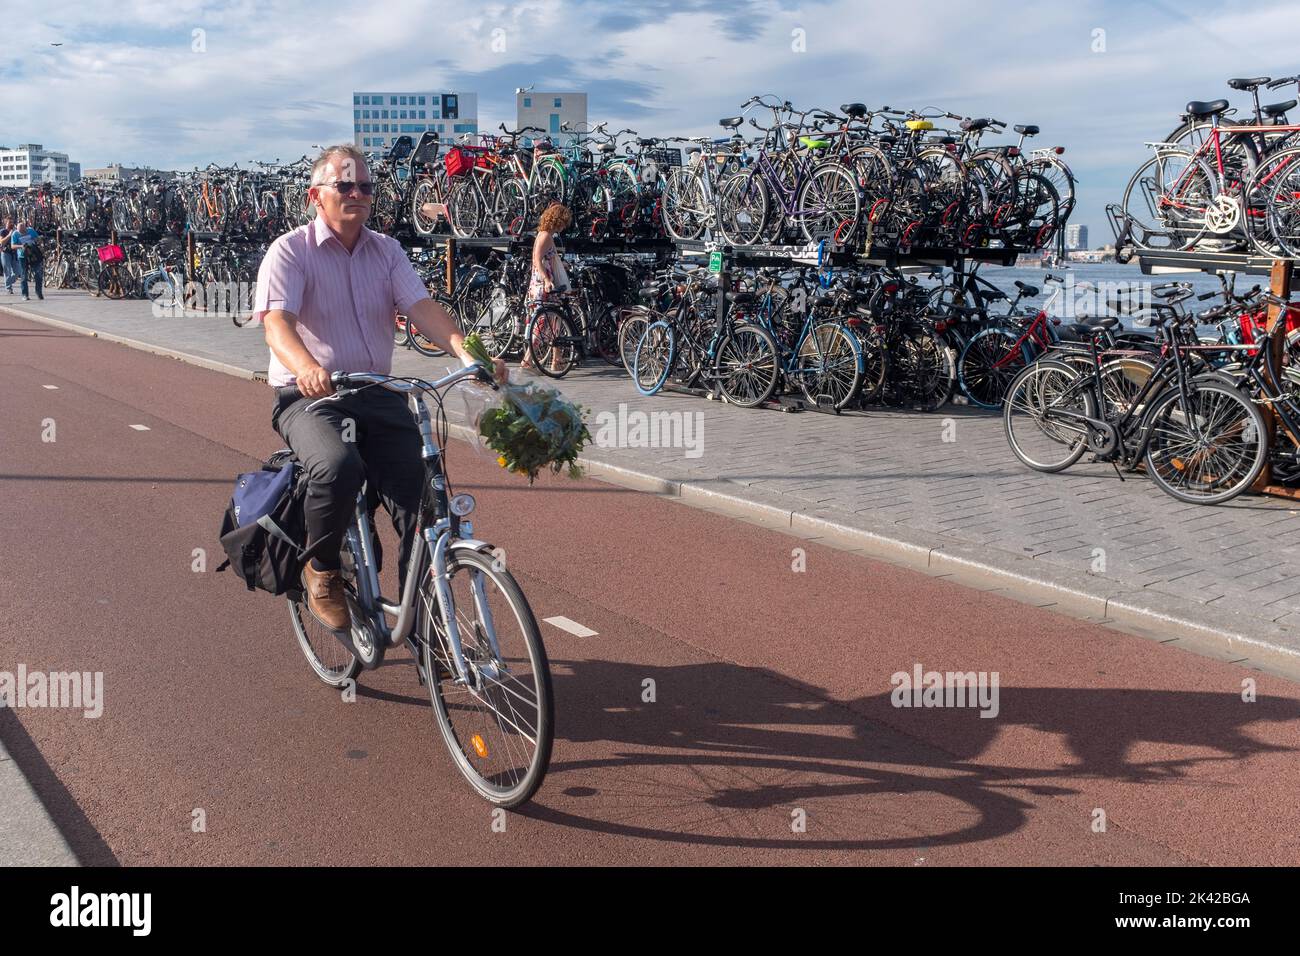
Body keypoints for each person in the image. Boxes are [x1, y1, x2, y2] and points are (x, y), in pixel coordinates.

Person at [254, 143, 506, 632]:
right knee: (337, 465)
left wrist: (464, 348)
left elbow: (421, 308)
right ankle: (322, 571)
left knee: (428, 496)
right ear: (316, 195)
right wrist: (306, 367)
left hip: (377, 392)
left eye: (365, 186)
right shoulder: (290, 251)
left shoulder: (386, 251)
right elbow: (276, 324)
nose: (357, 194)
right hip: (312, 399)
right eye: (344, 185)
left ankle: (425, 615)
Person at [522, 202, 572, 372]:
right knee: (544, 322)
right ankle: (528, 360)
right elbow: (537, 259)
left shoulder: (545, 235)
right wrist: (546, 279)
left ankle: (556, 360)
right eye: (563, 222)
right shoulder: (545, 237)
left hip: (544, 282)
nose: (564, 226)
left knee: (555, 319)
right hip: (544, 284)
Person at [10, 221, 44, 301]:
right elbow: (12, 246)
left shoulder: (31, 231)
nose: (22, 233)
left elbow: (38, 239)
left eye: (23, 231)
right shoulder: (15, 234)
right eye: (20, 232)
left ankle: (38, 291)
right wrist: (21, 246)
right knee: (24, 275)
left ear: (26, 228)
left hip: (33, 254)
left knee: (38, 273)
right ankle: (25, 294)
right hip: (22, 256)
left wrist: (37, 240)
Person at [0, 218, 18, 294]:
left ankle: (9, 282)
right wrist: (9, 235)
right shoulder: (3, 231)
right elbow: (1, 242)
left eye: (12, 222)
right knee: (7, 270)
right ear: (5, 224)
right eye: (9, 223)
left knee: (17, 272)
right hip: (5, 252)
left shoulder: (15, 231)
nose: (11, 224)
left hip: (14, 253)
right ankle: (9, 288)